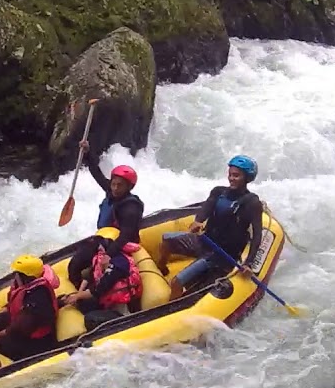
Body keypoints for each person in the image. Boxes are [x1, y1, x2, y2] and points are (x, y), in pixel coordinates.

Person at [158, 154, 264, 300]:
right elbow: (206, 208)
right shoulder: (219, 192)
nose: (231, 178)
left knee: (176, 282)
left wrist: (249, 263)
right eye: (230, 174)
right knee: (166, 239)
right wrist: (198, 220)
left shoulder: (252, 203)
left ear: (246, 178)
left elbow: (257, 233)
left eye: (236, 176)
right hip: (204, 241)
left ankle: (167, 312)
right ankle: (161, 268)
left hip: (220, 254)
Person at [66, 133, 144, 287]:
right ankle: (79, 287)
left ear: (129, 187)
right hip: (105, 238)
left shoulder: (131, 208)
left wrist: (108, 255)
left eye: (119, 185)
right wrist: (88, 153)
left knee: (82, 267)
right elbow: (96, 173)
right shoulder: (112, 191)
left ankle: (87, 294)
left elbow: (125, 236)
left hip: (119, 244)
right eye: (114, 183)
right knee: (74, 265)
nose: (115, 188)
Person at [58, 227, 143, 330]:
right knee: (82, 303)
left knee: (91, 319)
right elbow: (89, 276)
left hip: (122, 307)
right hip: (106, 298)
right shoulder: (100, 257)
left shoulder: (118, 265)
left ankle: (122, 319)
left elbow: (99, 289)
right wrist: (78, 294)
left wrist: (77, 297)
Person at [0, 254, 61, 361]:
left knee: (3, 346)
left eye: (17, 273)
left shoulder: (37, 296)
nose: (15, 276)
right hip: (26, 326)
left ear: (25, 275)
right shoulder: (28, 287)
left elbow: (21, 326)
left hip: (39, 341)